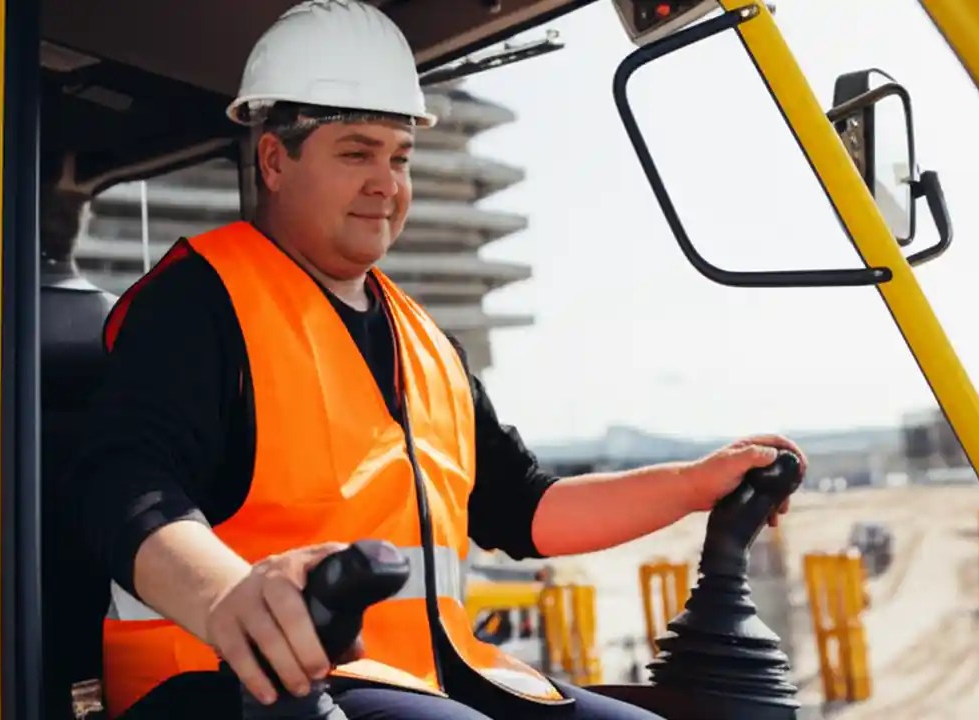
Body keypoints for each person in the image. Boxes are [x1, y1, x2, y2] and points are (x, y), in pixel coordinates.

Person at [67, 1, 807, 718]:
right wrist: (230, 595)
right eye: (355, 152)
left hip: (428, 674)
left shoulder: (424, 340)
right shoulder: (199, 301)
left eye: (399, 157)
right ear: (273, 160)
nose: (386, 183)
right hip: (234, 682)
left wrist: (691, 483)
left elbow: (526, 509)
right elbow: (121, 482)